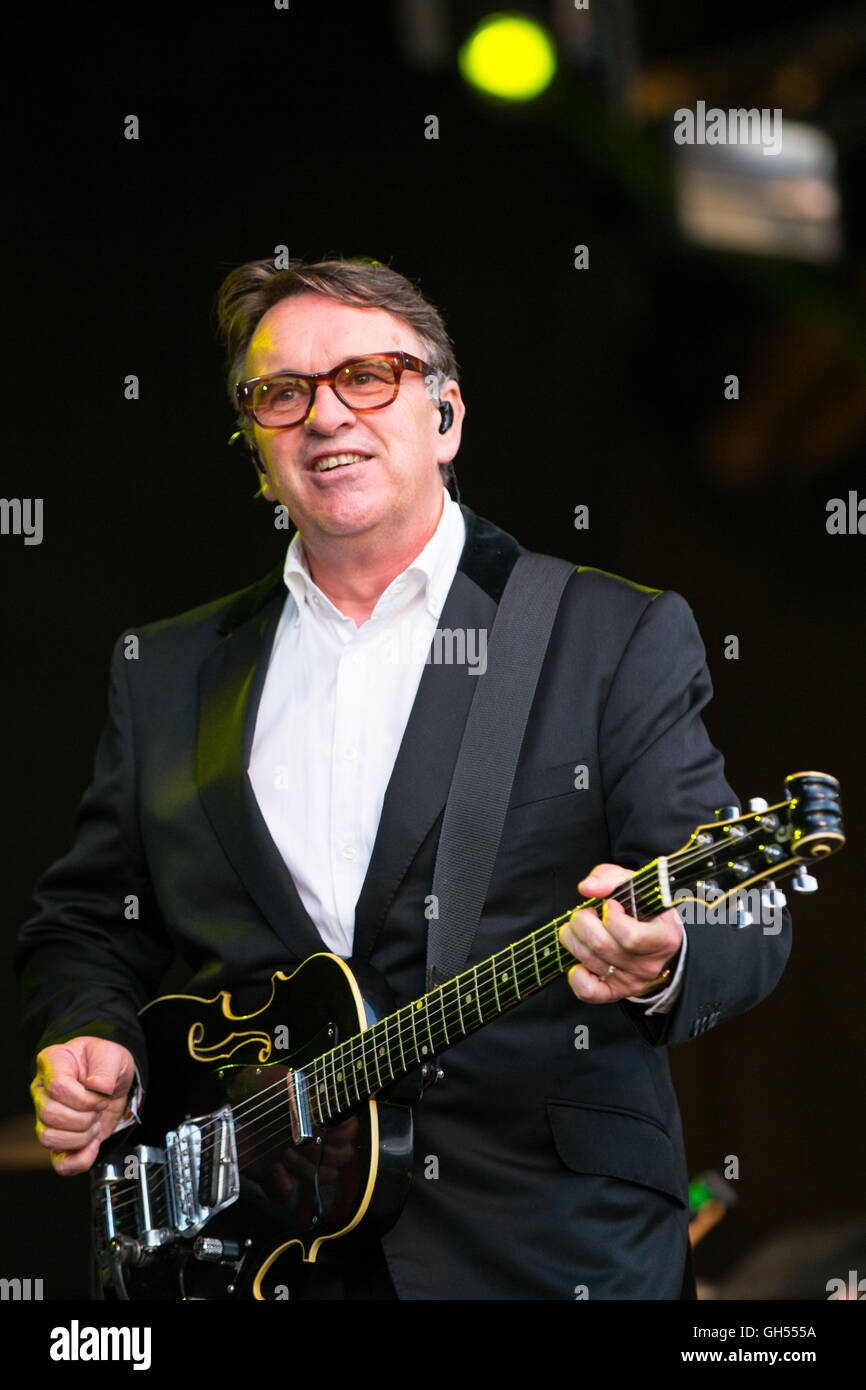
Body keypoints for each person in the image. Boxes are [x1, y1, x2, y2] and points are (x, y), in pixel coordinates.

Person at [16, 255, 791, 1300]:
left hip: (539, 1250)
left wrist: (662, 954)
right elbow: (85, 921)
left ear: (445, 415)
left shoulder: (605, 634)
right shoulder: (169, 671)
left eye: (367, 375)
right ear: (253, 442)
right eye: (281, 393)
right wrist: (88, 1031)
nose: (324, 415)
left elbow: (741, 912)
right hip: (245, 1251)